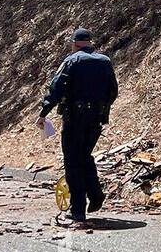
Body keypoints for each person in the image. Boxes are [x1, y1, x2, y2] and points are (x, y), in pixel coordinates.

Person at [36, 27, 118, 227]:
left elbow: (56, 88)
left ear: (74, 43)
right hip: (96, 119)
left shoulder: (72, 61)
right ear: (90, 43)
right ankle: (96, 194)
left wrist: (43, 112)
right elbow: (113, 91)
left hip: (75, 118)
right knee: (84, 156)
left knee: (73, 161)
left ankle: (77, 210)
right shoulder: (105, 62)